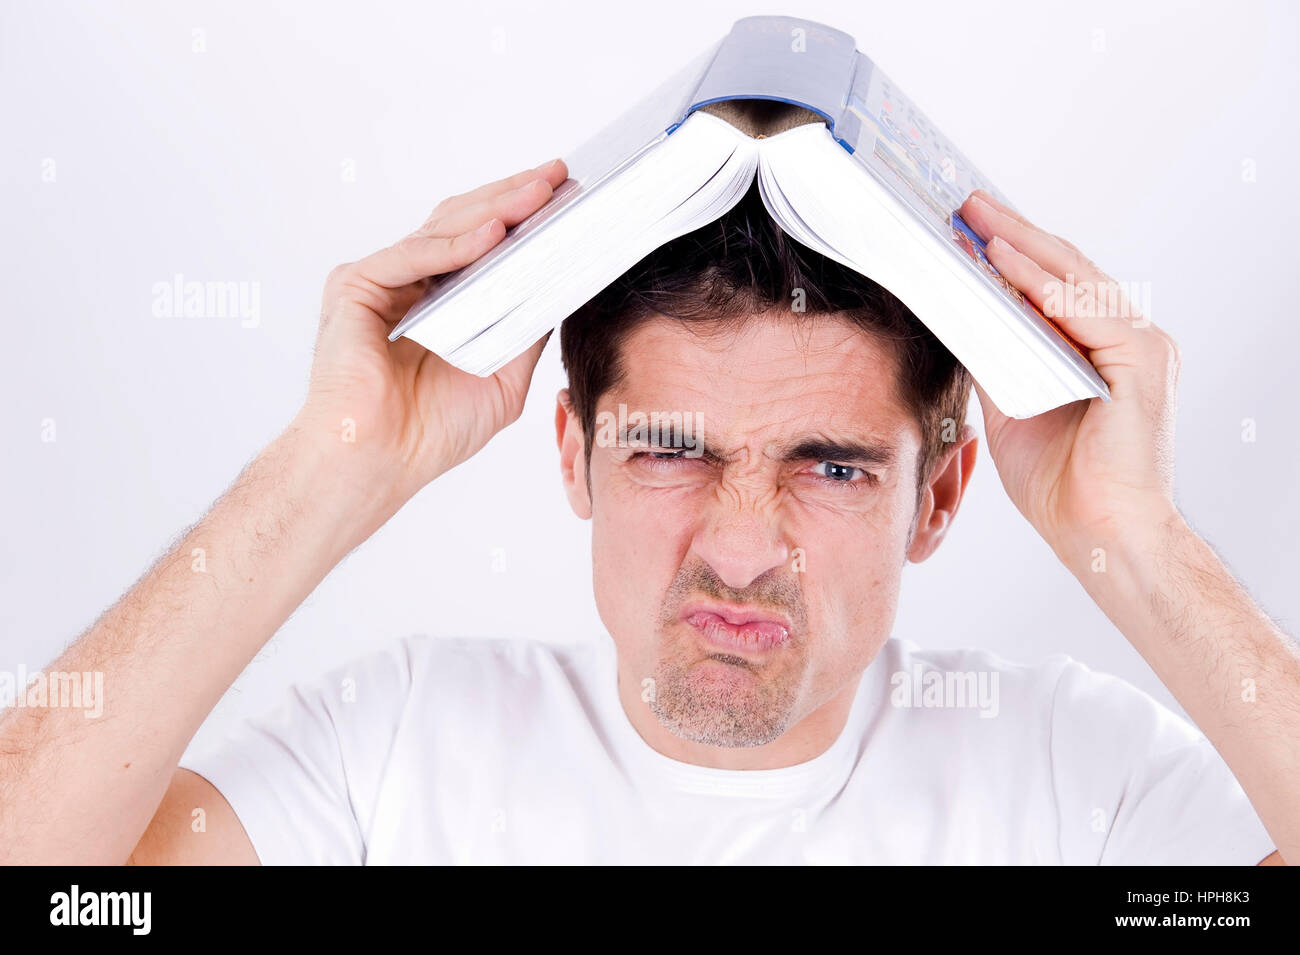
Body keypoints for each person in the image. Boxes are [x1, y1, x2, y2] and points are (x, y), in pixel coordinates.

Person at [1, 157, 1293, 865]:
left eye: (830, 466)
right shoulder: (396, 750)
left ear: (939, 495)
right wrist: (337, 459)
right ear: (573, 456)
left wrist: (1143, 541)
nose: (740, 546)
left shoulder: (1082, 782)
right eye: (669, 452)